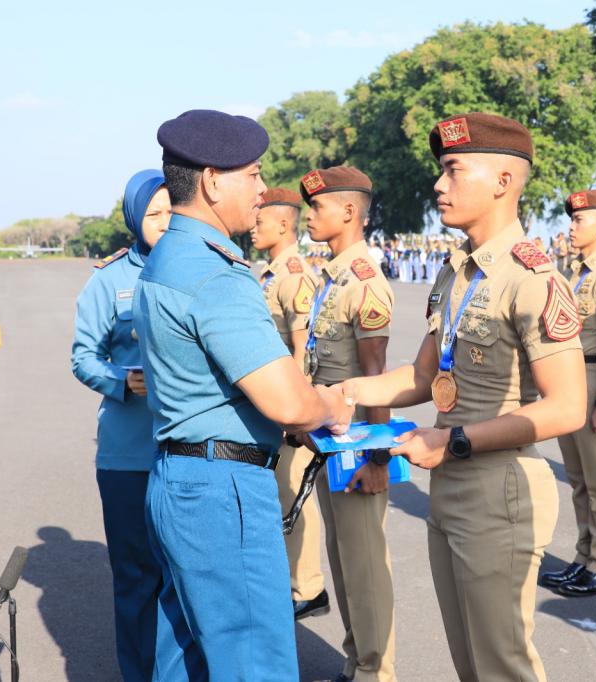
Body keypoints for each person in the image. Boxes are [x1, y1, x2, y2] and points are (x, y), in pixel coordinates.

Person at [341, 113, 587, 682]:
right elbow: (425, 376)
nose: (438, 184)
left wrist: (450, 441)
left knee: (502, 666)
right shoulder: (458, 272)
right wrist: (344, 392)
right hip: (452, 476)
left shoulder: (533, 277)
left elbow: (567, 406)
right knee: (469, 664)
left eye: (453, 170)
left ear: (503, 181)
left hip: (497, 486)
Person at [133, 110, 354, 681]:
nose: (262, 190)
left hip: (180, 478)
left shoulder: (168, 256)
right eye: (253, 175)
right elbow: (288, 403)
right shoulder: (217, 274)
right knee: (256, 662)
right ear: (211, 180)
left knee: (185, 657)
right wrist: (330, 404)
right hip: (221, 489)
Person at [71, 169, 171, 681]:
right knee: (135, 577)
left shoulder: (194, 269)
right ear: (134, 217)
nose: (165, 220)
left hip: (189, 453)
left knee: (182, 577)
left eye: (172, 210)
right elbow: (82, 356)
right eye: (154, 213)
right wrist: (119, 379)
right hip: (128, 455)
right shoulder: (107, 280)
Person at [300, 165, 396, 682]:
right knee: (342, 561)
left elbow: (375, 374)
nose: (309, 216)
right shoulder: (331, 276)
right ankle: (357, 660)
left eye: (317, 207)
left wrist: (379, 457)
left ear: (349, 212)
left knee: (364, 567)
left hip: (358, 444)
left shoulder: (363, 281)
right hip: (332, 443)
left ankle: (376, 671)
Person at [539, 189, 596, 597]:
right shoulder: (578, 271)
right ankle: (583, 557)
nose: (572, 227)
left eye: (580, 220)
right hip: (572, 381)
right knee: (578, 479)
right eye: (572, 220)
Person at [250, 187, 330, 620]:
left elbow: (303, 348)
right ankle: (296, 580)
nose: (253, 228)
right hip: (275, 404)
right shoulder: (271, 272)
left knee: (294, 495)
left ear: (283, 224)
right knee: (283, 495)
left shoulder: (295, 275)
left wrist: (293, 408)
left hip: (289, 407)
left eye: (260, 222)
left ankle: (307, 586)